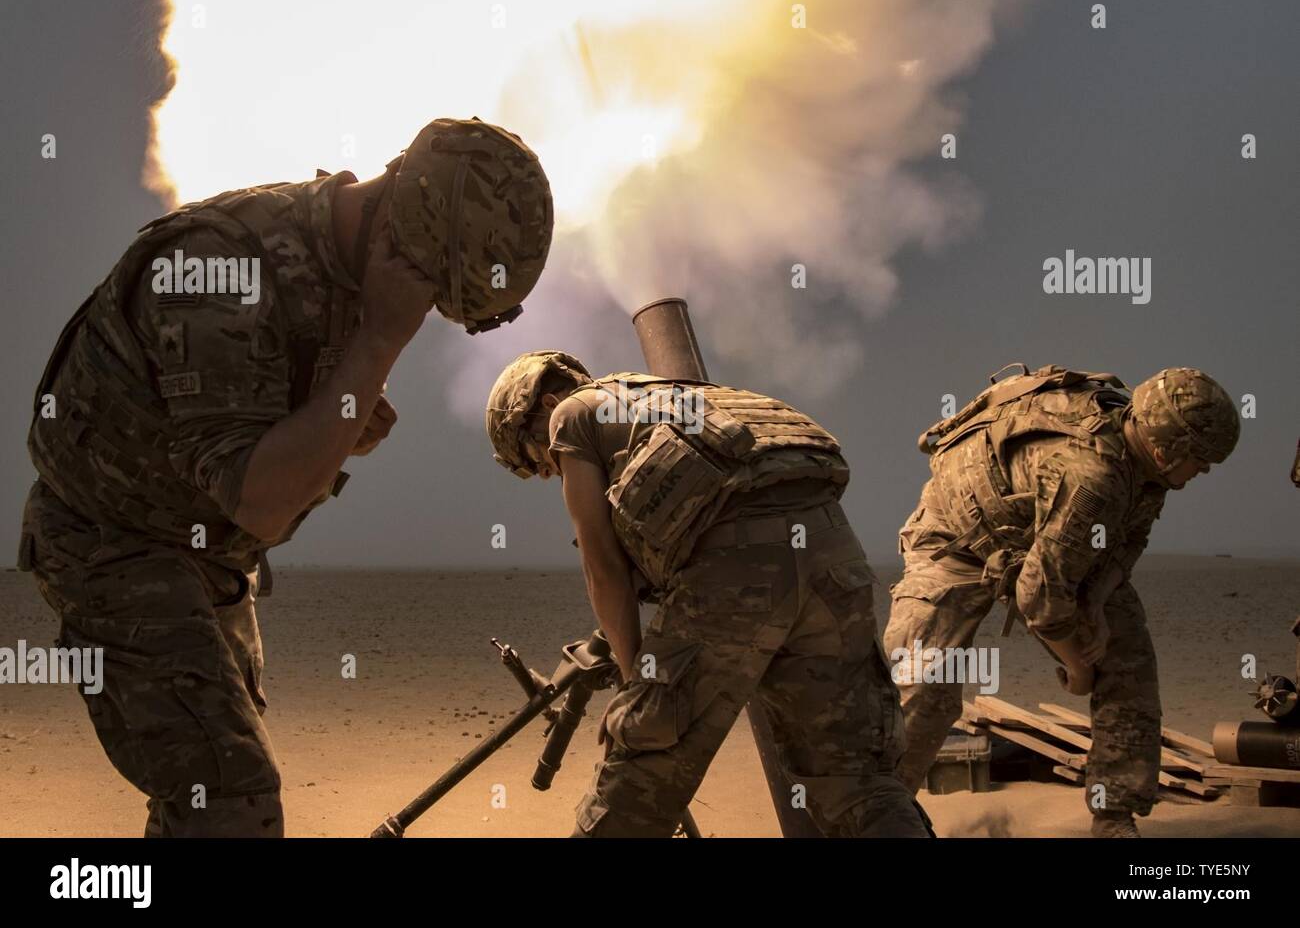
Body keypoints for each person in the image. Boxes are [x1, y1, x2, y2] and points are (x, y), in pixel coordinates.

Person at [19, 117, 553, 836]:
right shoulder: (219, 269)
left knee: (210, 786)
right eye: (427, 292)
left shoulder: (347, 261)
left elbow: (263, 432)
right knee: (231, 795)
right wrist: (375, 348)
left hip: (206, 553)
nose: (419, 312)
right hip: (112, 542)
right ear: (402, 234)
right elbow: (262, 501)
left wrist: (336, 417)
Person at [485, 351, 933, 838]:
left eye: (539, 460)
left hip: (738, 570)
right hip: (834, 560)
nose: (551, 473)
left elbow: (603, 569)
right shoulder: (687, 399)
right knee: (855, 777)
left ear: (548, 403)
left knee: (641, 774)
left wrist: (639, 683)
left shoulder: (572, 416)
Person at [881, 364, 1239, 837]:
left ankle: (1114, 814)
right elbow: (1039, 597)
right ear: (1166, 447)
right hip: (956, 540)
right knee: (925, 684)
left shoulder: (1149, 467)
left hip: (1045, 540)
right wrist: (1078, 667)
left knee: (1128, 662)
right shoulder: (1094, 475)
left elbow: (1127, 543)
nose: (1205, 469)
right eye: (1201, 457)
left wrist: (1096, 606)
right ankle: (879, 815)